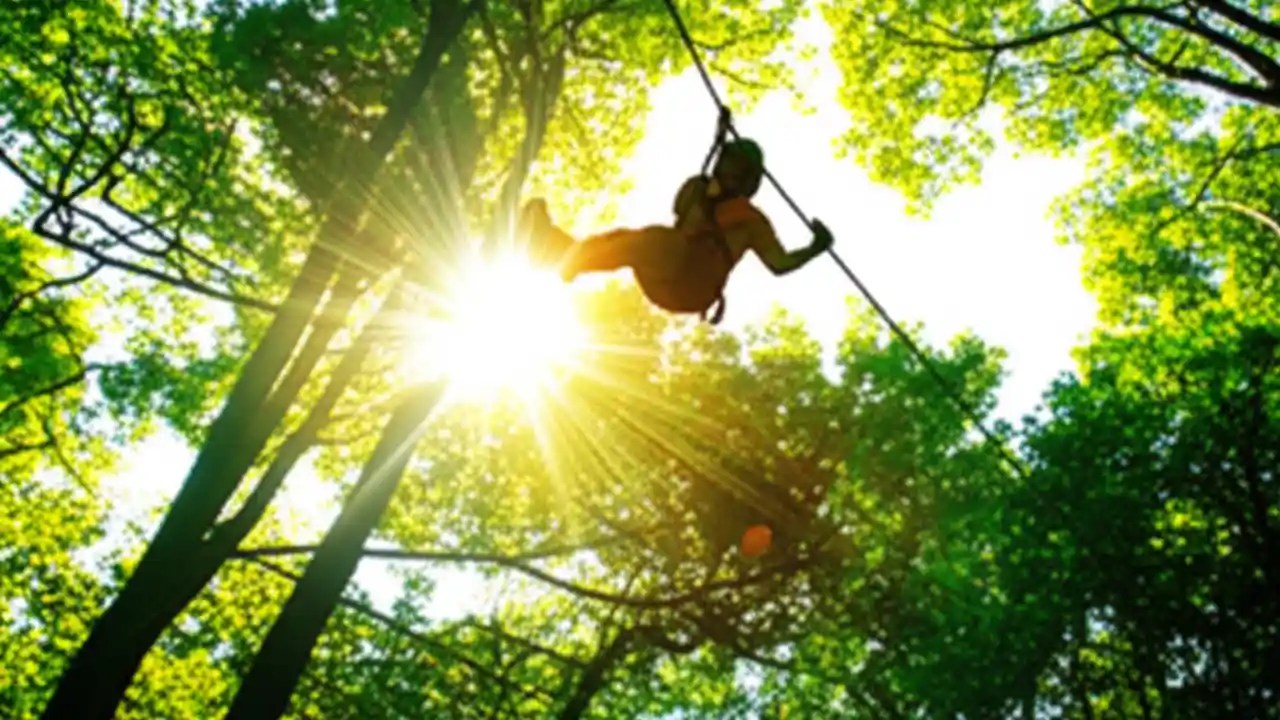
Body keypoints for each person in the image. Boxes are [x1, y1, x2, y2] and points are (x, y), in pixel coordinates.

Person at [519, 113, 834, 323]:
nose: (728, 173)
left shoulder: (751, 222)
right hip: (666, 271)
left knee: (652, 241)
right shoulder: (697, 188)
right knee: (633, 240)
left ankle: (565, 257)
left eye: (737, 170)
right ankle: (559, 249)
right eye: (727, 164)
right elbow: (685, 216)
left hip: (693, 285)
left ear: (748, 180)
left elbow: (780, 263)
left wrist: (816, 247)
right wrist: (711, 171)